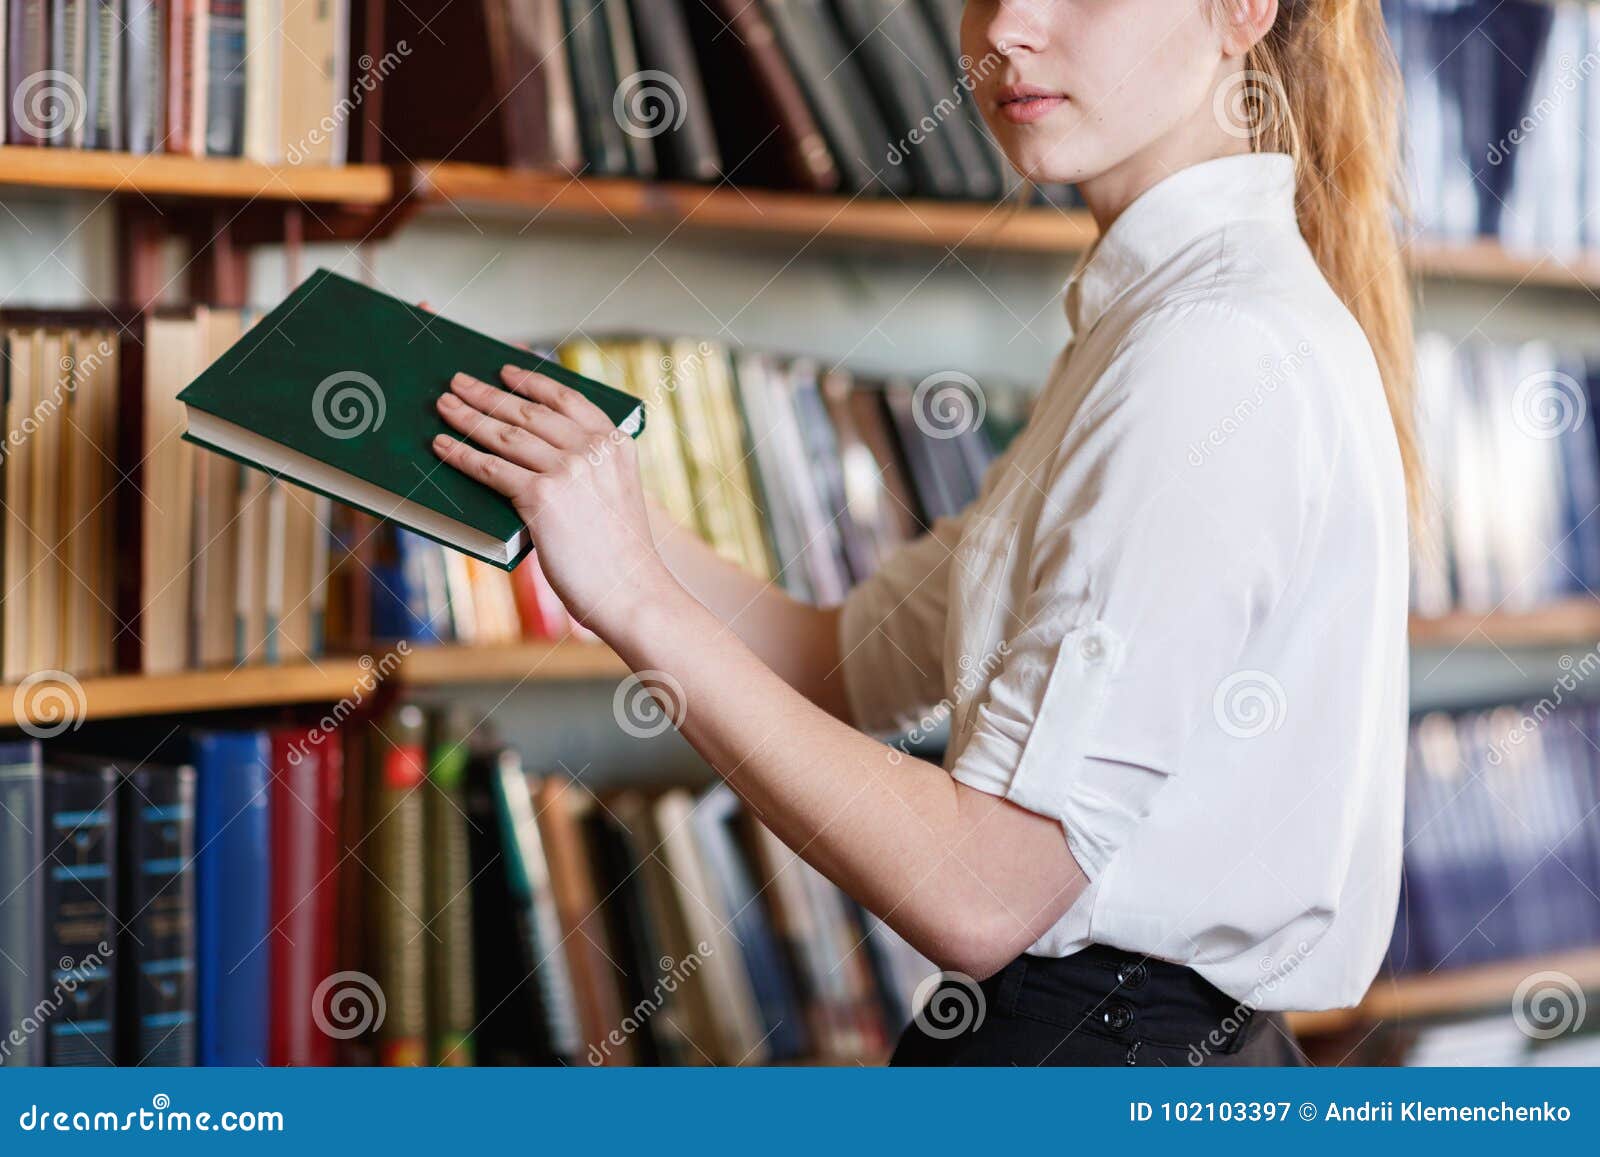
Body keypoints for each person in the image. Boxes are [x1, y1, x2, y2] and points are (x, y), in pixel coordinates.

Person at [429, 0, 1415, 1065]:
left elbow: (982, 893)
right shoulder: (1158, 325)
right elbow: (833, 664)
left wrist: (633, 593)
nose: (1007, 28)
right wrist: (589, 495)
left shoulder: (1207, 350)